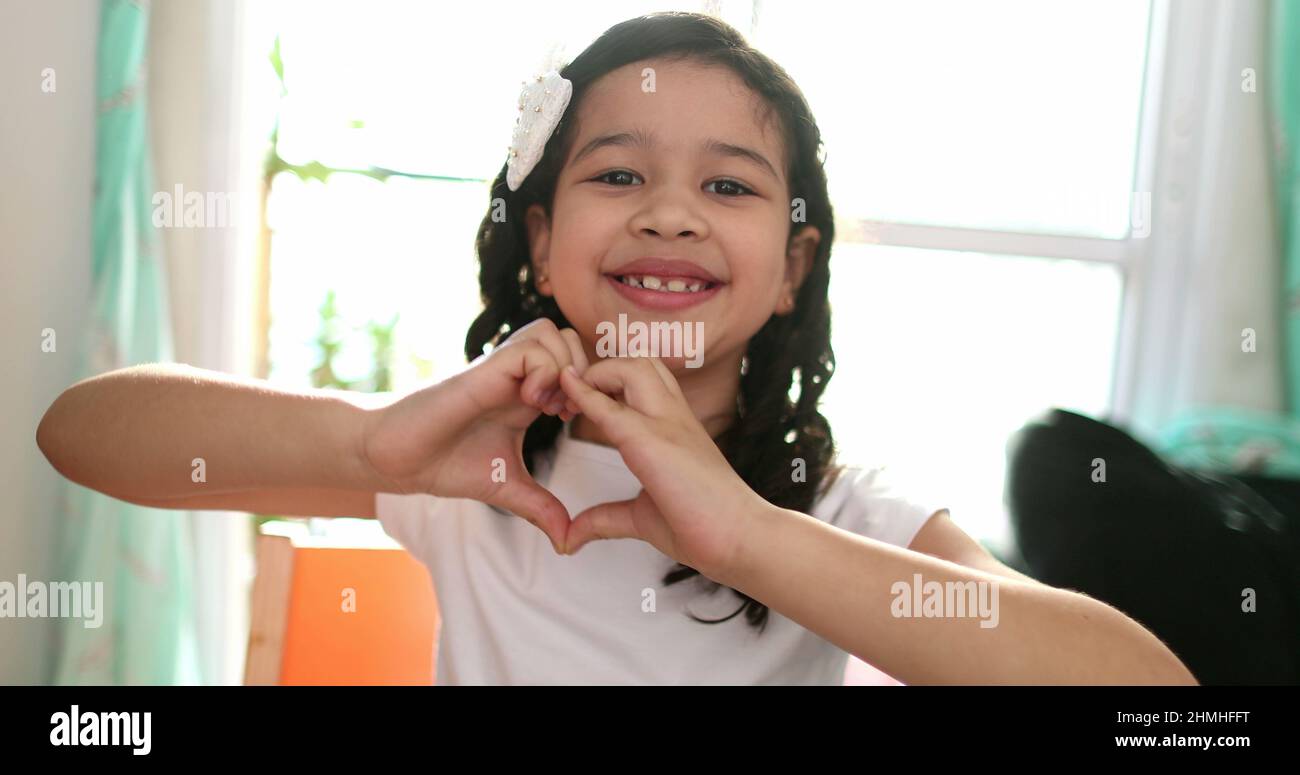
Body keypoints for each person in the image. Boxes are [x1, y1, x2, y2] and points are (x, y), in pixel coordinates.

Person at [36, 12, 1196, 686]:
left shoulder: (839, 509)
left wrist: (747, 535)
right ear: (541, 243)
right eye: (617, 174)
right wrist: (378, 444)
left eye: (729, 185)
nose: (670, 213)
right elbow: (78, 433)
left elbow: (1153, 700)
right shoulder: (469, 466)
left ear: (793, 267)